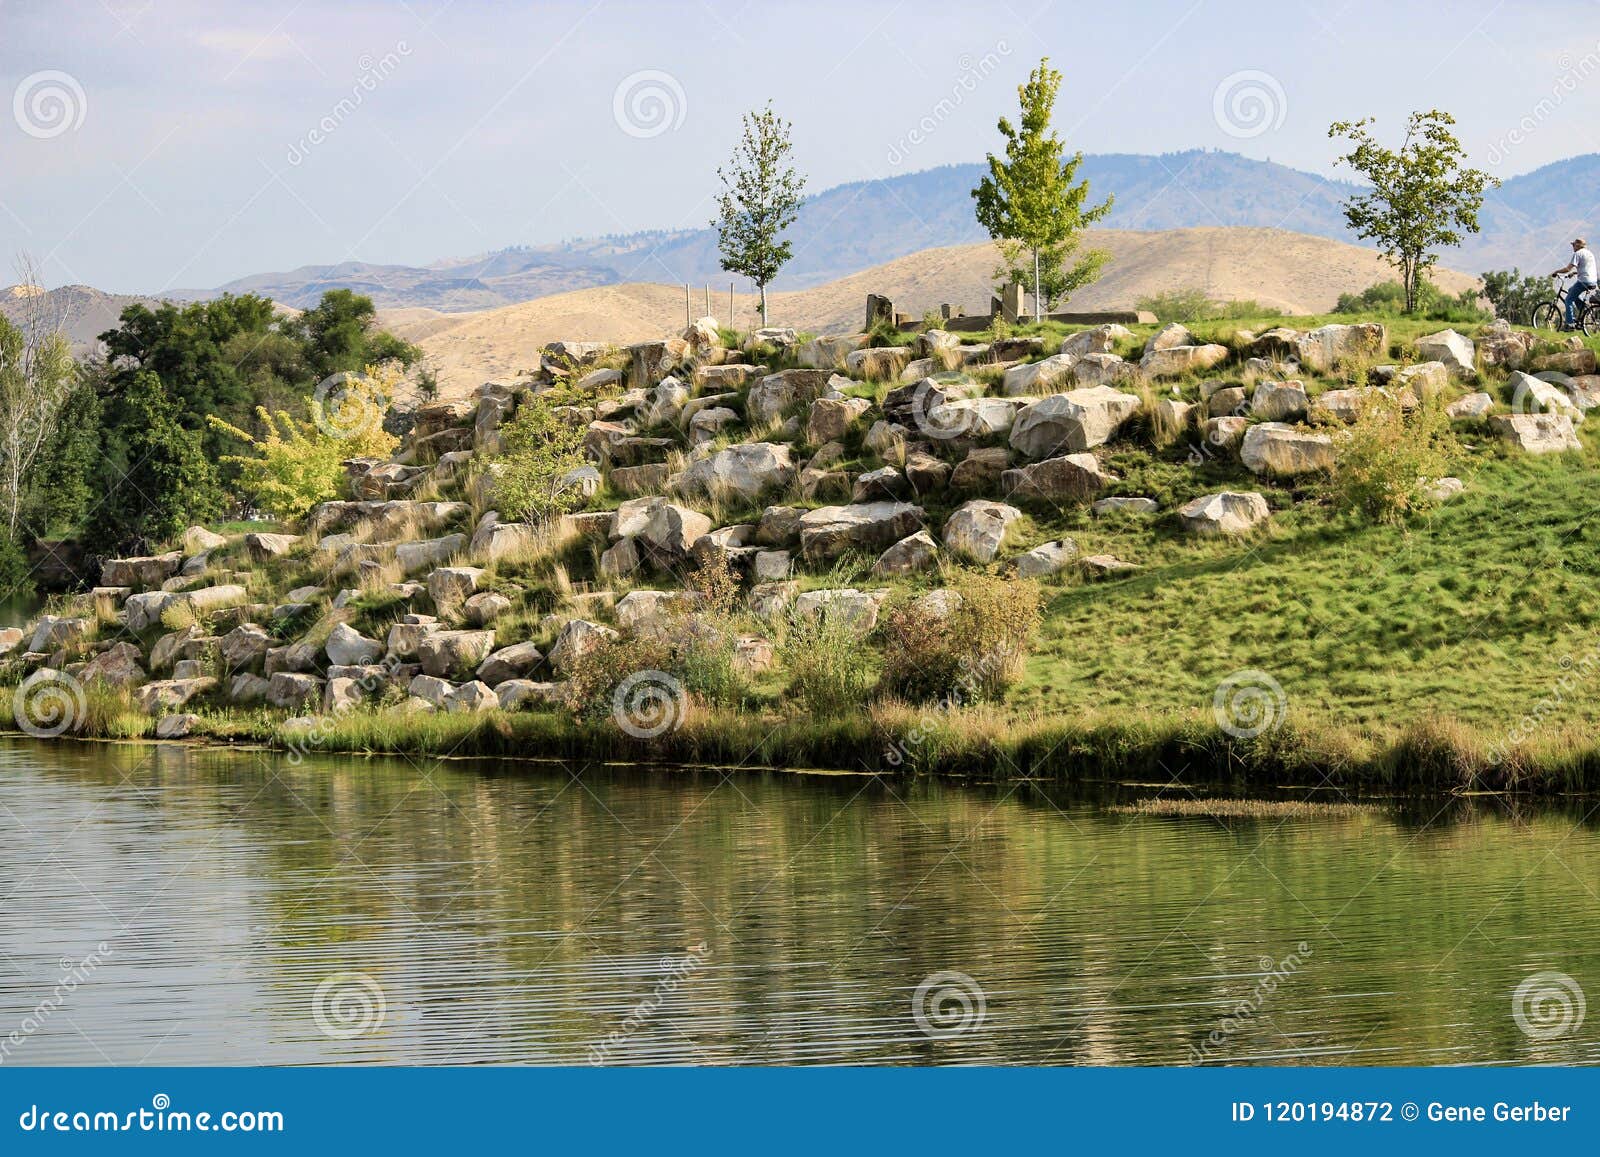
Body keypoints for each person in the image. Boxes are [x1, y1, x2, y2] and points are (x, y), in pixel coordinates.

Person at [1553, 238, 1597, 328]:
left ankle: (1570, 324)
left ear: (1578, 246)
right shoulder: (1590, 253)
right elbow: (1587, 268)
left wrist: (1556, 272)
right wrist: (1575, 273)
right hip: (1593, 280)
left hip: (1584, 281)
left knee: (1568, 300)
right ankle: (1584, 311)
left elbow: (1567, 269)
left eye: (1573, 245)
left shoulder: (1577, 254)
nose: (1573, 247)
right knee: (1570, 290)